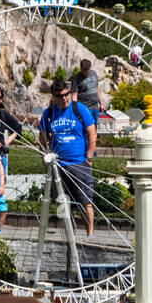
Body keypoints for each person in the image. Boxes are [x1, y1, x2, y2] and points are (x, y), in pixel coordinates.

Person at [37, 81, 96, 236]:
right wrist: (44, 156)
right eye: (60, 96)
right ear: (54, 97)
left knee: (85, 201)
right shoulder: (48, 113)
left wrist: (89, 156)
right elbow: (42, 138)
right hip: (58, 166)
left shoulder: (79, 109)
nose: (64, 98)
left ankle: (90, 234)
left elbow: (92, 132)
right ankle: (70, 235)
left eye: (66, 94)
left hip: (79, 163)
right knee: (63, 203)